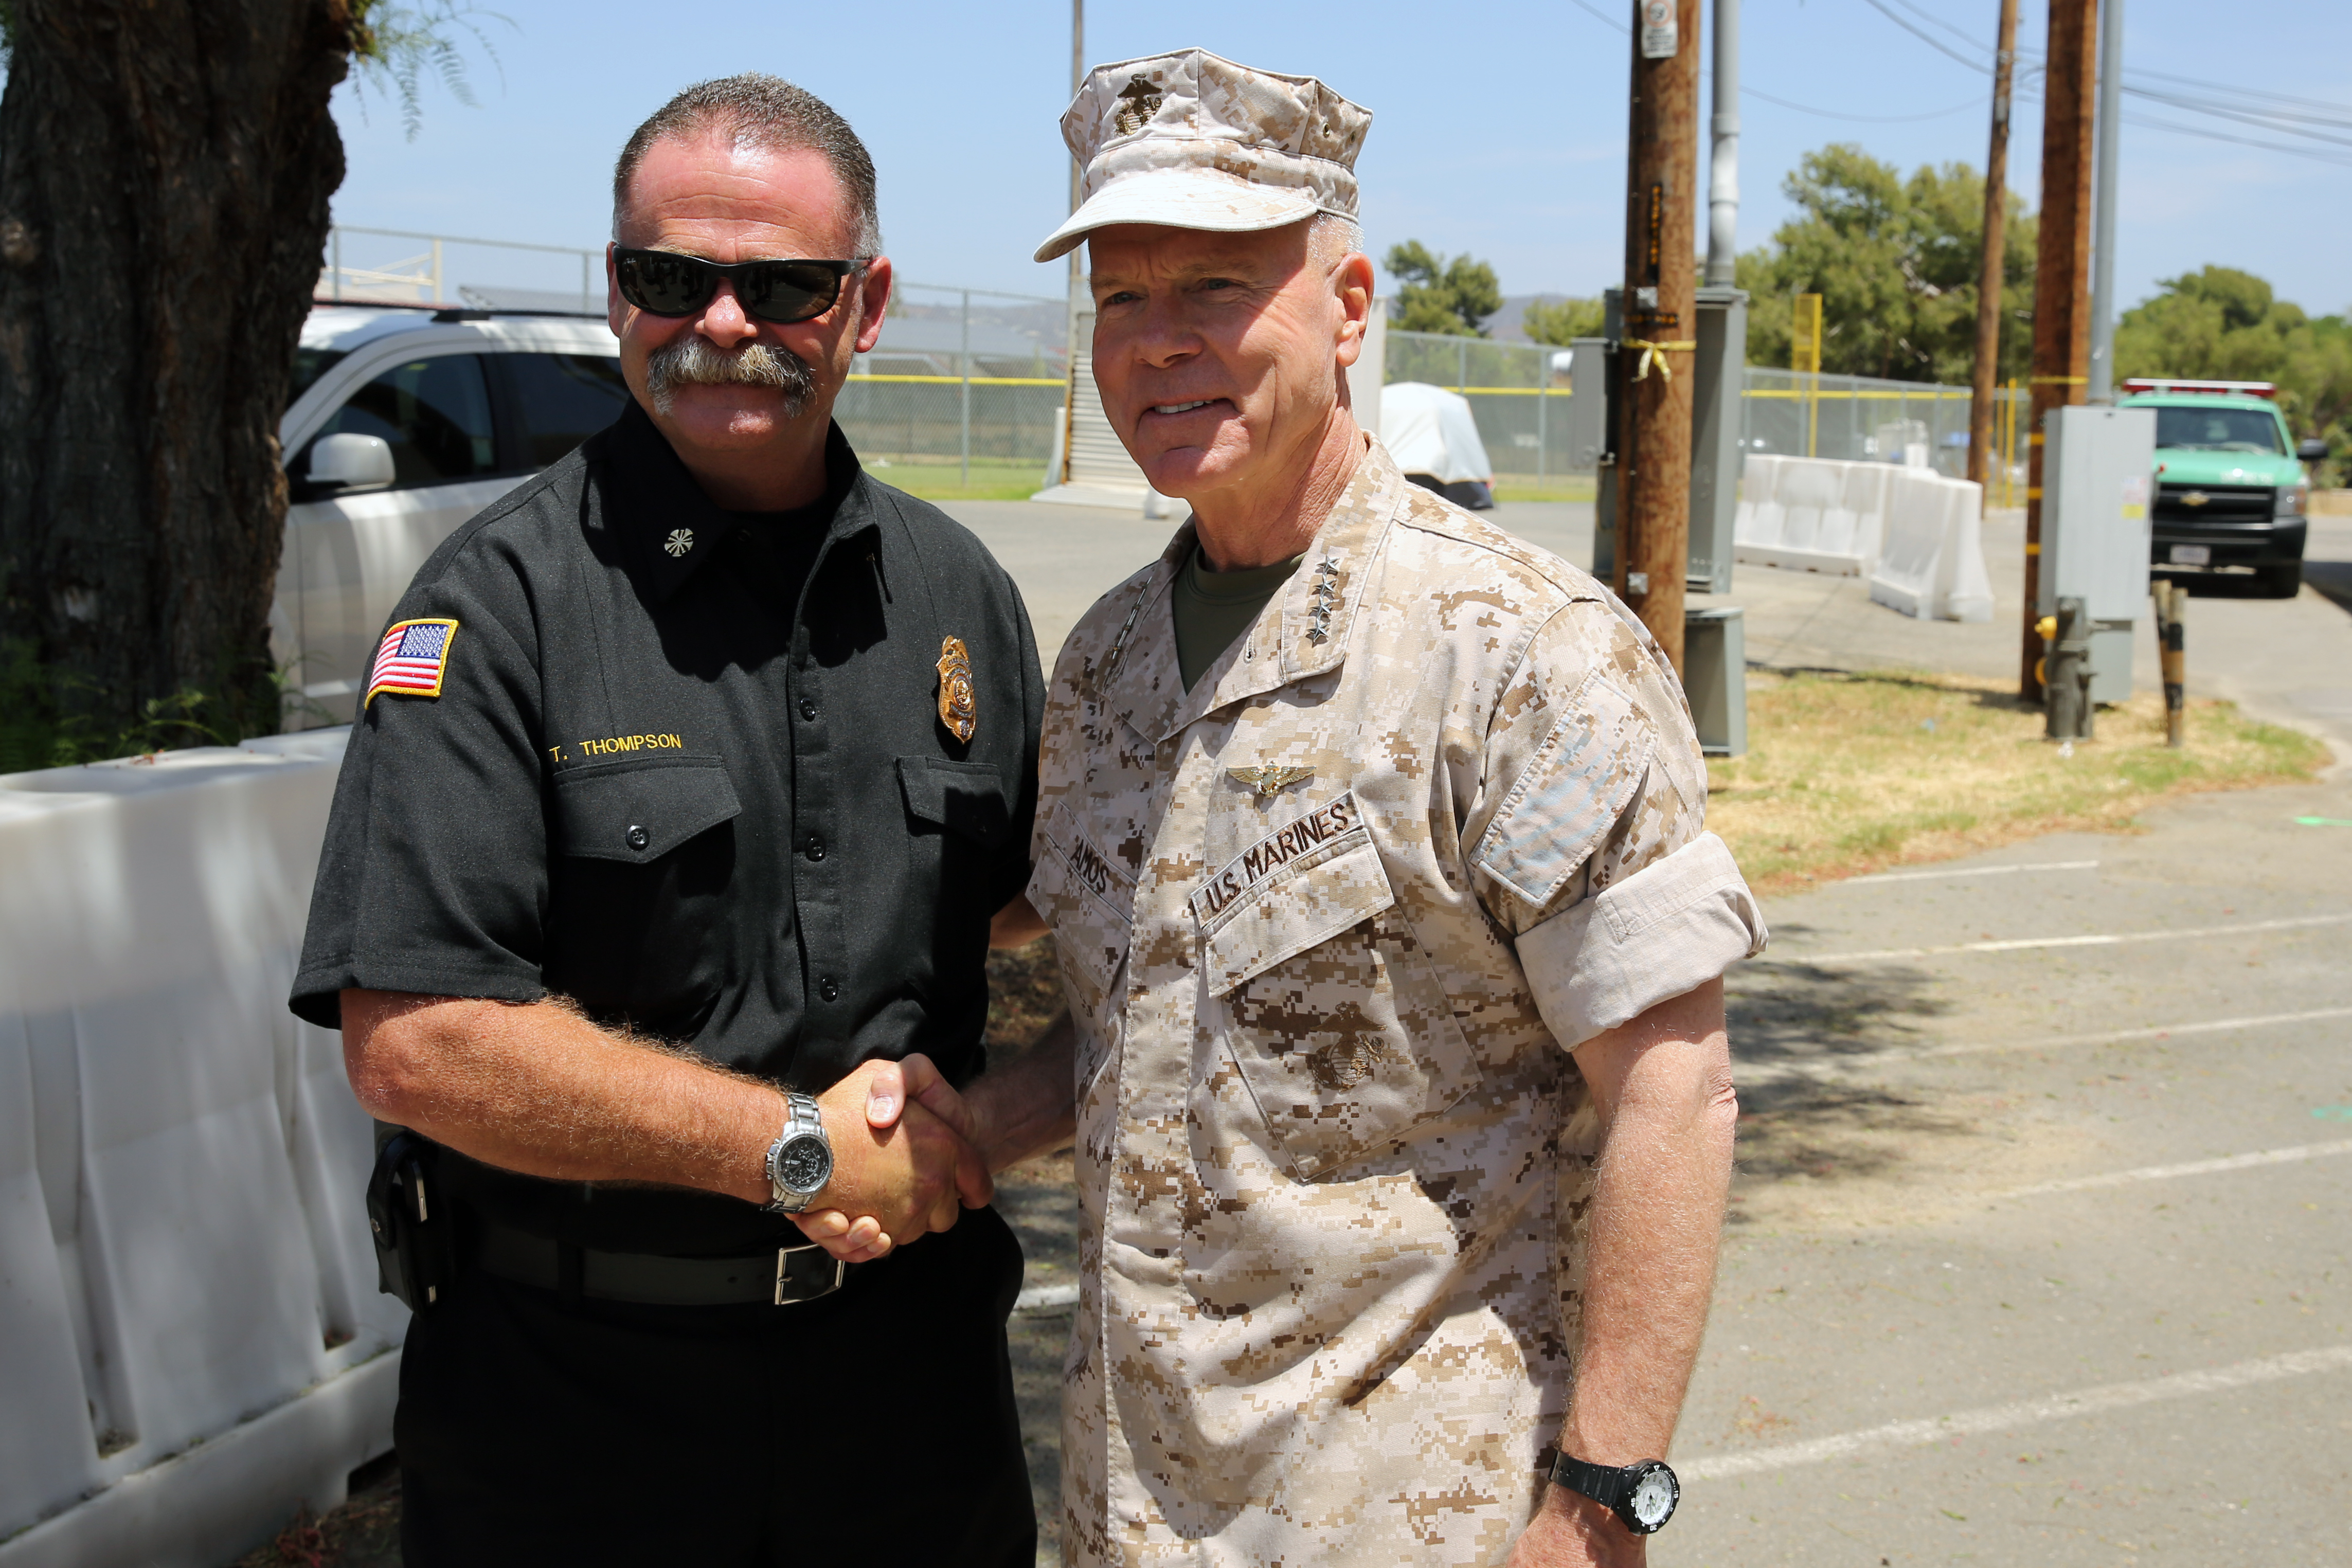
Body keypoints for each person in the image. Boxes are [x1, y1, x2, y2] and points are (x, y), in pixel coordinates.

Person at [936, 48, 1769, 1566]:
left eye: (1216, 286)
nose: (1160, 341)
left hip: (1409, 1515)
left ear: (1349, 307)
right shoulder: (1108, 664)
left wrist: (1601, 1506)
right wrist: (964, 1132)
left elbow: (1675, 1090)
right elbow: (1139, 1034)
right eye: (1121, 298)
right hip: (1132, 1509)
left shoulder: (1516, 651)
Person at [289, 74, 1044, 1566]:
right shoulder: (498, 606)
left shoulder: (959, 597)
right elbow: (417, 1035)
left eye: (786, 285)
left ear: (868, 302)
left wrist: (978, 1132)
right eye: (671, 277)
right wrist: (793, 1149)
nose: (723, 322)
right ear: (616, 286)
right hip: (575, 1425)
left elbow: (1035, 919)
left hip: (911, 1402)